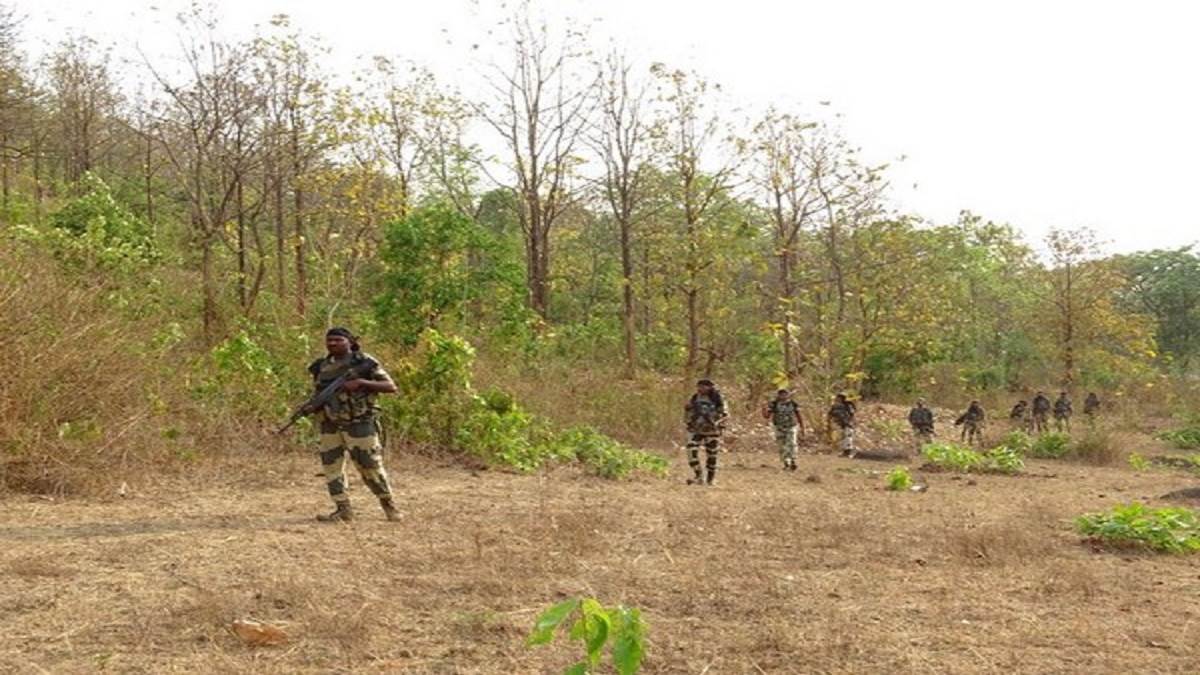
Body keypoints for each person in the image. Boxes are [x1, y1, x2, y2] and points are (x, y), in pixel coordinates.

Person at [308, 327, 400, 523]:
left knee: (369, 466)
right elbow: (319, 393)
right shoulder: (321, 366)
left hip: (359, 422)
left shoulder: (363, 362)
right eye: (329, 340)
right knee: (332, 468)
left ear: (349, 342)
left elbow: (390, 387)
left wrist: (361, 383)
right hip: (330, 423)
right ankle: (343, 509)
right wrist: (312, 406)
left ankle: (389, 506)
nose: (332, 343)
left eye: (338, 340)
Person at [684, 379, 728, 485]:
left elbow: (725, 415)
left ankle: (710, 479)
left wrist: (717, 423)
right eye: (699, 386)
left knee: (712, 456)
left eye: (703, 387)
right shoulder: (695, 398)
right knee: (691, 452)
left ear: (710, 387)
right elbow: (688, 411)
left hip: (712, 431)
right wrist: (688, 421)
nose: (700, 389)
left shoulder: (718, 399)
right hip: (696, 430)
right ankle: (698, 475)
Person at [763, 389, 804, 471]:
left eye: (785, 394)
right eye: (781, 394)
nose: (783, 396)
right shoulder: (774, 404)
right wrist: (763, 409)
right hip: (779, 427)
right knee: (782, 446)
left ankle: (793, 460)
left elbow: (798, 415)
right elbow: (767, 416)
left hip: (791, 426)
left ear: (788, 395)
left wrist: (802, 427)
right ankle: (786, 462)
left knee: (792, 443)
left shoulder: (793, 404)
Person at [827, 393, 857, 457]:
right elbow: (830, 415)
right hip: (842, 425)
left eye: (837, 398)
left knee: (847, 438)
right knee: (844, 438)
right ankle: (845, 452)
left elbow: (852, 414)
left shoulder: (845, 406)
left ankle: (848, 452)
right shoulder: (837, 406)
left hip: (846, 424)